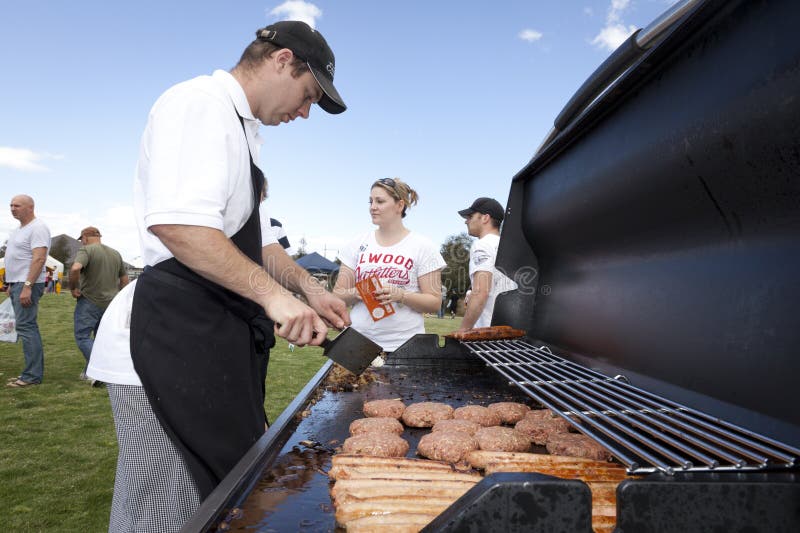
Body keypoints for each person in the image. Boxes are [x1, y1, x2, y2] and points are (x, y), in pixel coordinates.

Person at [85, 20, 350, 531]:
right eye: (308, 95)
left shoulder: (244, 130)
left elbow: (260, 242)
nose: (304, 112)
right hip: (165, 340)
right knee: (166, 510)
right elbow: (180, 225)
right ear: (281, 60)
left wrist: (310, 290)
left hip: (207, 341)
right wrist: (274, 299)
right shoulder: (199, 104)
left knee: (223, 498)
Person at [334, 178, 447, 353]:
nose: (372, 207)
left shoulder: (423, 246)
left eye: (380, 201)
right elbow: (338, 295)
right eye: (370, 201)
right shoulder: (356, 243)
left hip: (404, 347)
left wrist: (401, 295)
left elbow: (434, 302)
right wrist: (358, 292)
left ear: (399, 205)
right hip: (356, 343)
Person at [69, 226, 129, 384]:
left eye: (82, 240)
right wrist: (120, 298)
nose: (82, 242)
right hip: (110, 303)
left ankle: (101, 370)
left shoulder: (86, 250)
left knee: (82, 337)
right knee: (101, 338)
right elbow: (124, 279)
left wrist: (73, 287)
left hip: (89, 300)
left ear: (85, 237)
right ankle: (91, 372)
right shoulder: (115, 253)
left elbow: (75, 268)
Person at [5, 195, 50, 388]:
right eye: (11, 205)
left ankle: (32, 376)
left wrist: (27, 285)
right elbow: (16, 258)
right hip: (17, 283)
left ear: (30, 207)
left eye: (17, 205)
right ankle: (30, 373)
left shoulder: (38, 228)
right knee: (25, 326)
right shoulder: (18, 230)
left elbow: (39, 259)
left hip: (27, 284)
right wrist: (11, 284)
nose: (13, 208)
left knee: (26, 327)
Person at [457, 197, 518, 331]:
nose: (466, 221)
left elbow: (481, 292)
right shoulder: (510, 247)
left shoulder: (482, 245)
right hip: (511, 331)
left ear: (485, 218)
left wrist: (462, 331)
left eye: (470, 216)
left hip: (488, 333)